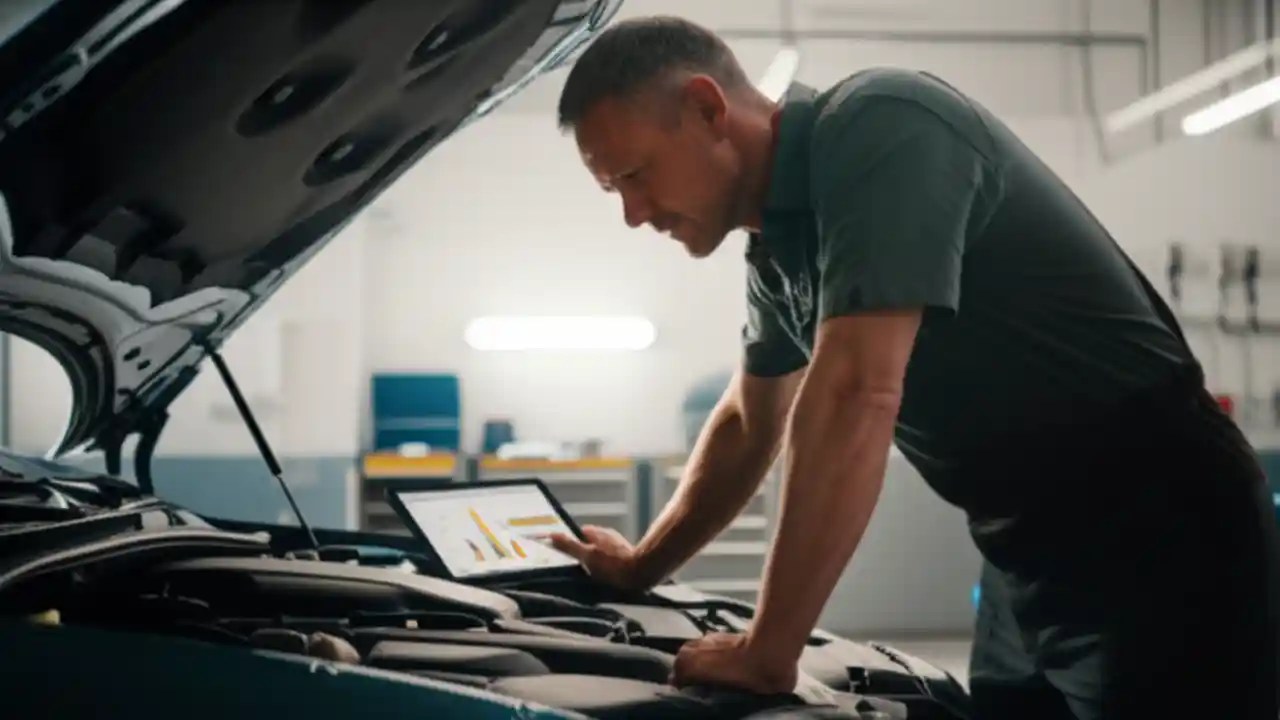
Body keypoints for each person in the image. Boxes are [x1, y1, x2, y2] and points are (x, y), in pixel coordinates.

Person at [546, 15, 1280, 720]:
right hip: (1022, 546)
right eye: (616, 191)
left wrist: (771, 648)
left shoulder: (881, 125)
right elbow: (748, 421)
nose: (634, 214)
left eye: (636, 175)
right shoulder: (779, 249)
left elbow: (858, 389)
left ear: (707, 108)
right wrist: (642, 564)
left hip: (1162, 523)